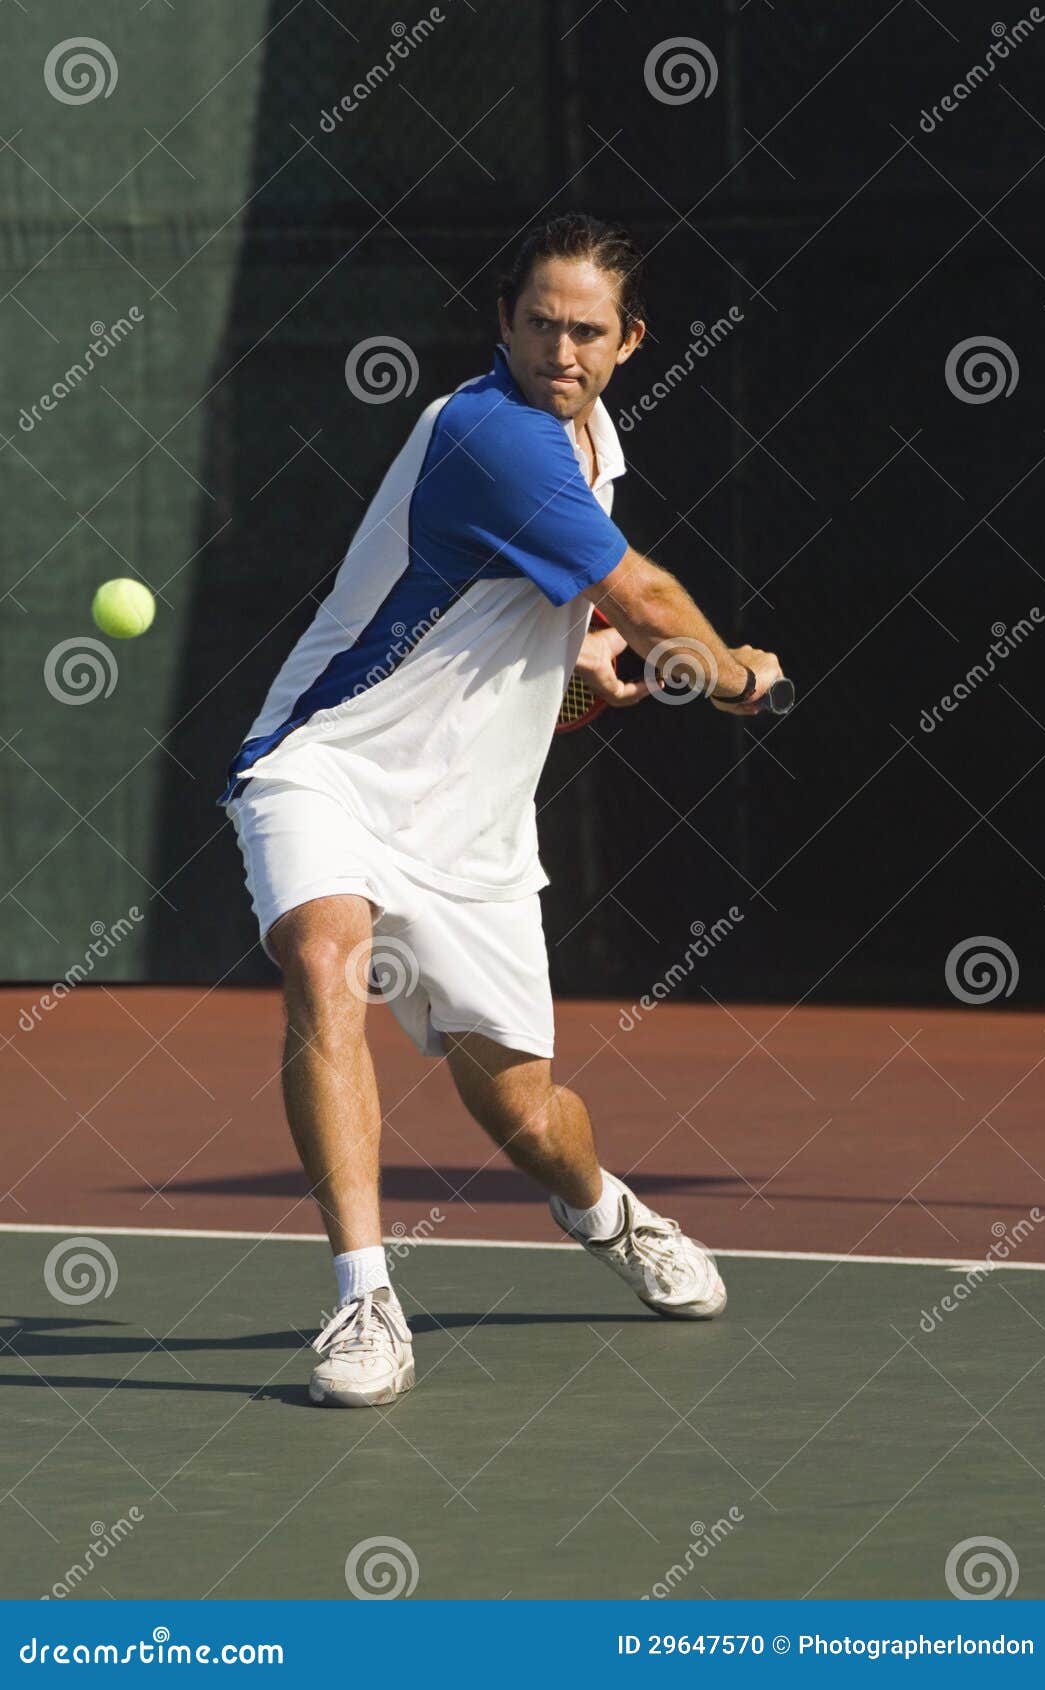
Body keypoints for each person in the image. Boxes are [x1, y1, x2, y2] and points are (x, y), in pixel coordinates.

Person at [218, 213, 785, 1407]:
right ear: (503, 324)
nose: (559, 352)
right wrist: (737, 674)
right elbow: (642, 592)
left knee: (527, 1116)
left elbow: (555, 648)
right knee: (326, 956)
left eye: (585, 331)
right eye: (539, 324)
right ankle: (364, 1298)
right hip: (324, 765)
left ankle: (606, 1212)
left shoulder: (597, 454)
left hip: (471, 835)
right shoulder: (487, 429)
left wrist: (581, 683)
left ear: (629, 341)